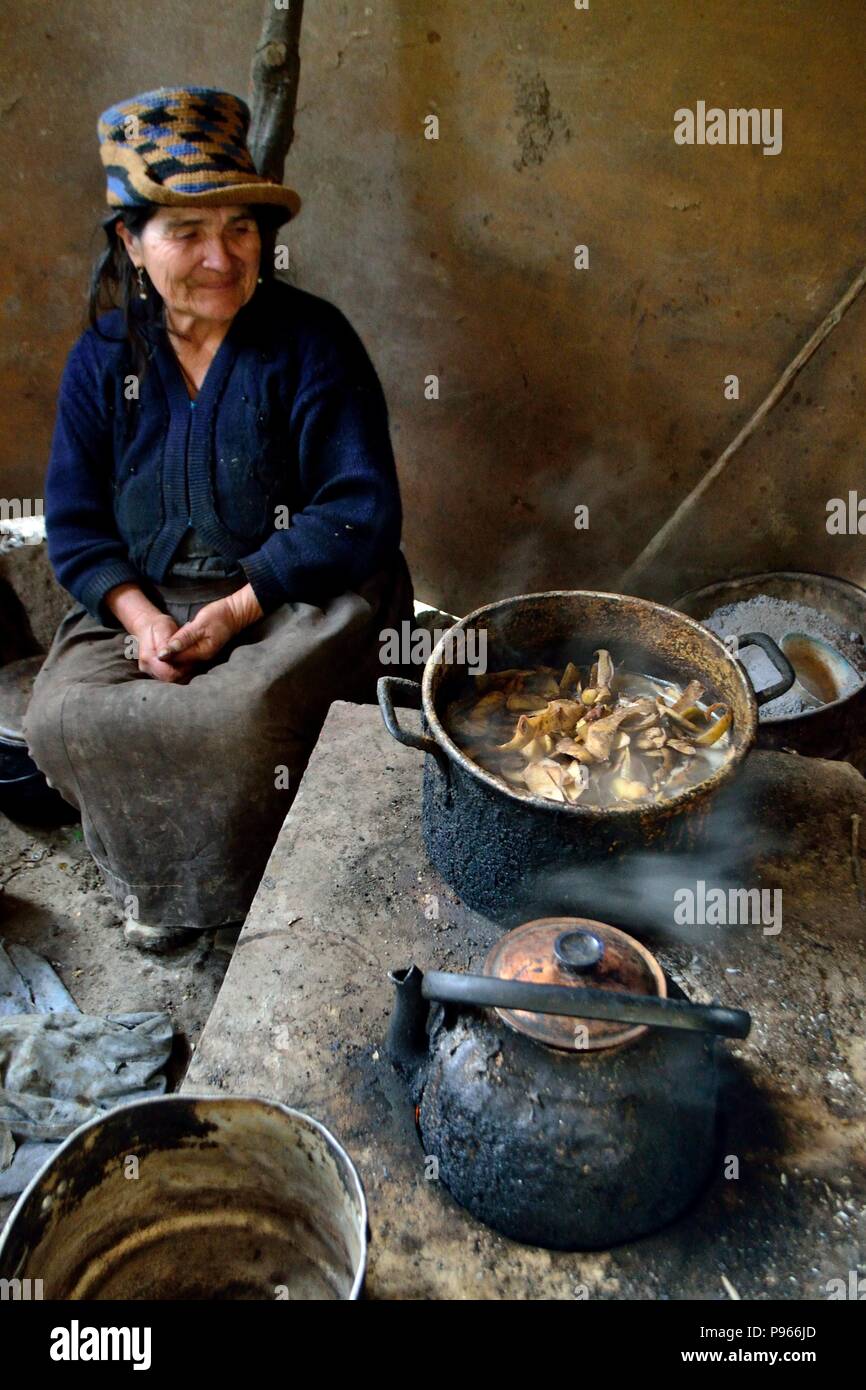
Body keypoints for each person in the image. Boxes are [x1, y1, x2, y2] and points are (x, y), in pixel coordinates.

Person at [23, 87, 414, 952]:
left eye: (240, 228)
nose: (221, 256)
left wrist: (240, 605)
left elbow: (361, 513)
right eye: (186, 231)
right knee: (61, 717)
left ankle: (257, 884)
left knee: (233, 725)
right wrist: (143, 618)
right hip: (151, 593)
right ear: (130, 240)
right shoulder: (102, 362)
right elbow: (78, 524)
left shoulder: (311, 341)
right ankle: (165, 886)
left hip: (304, 593)